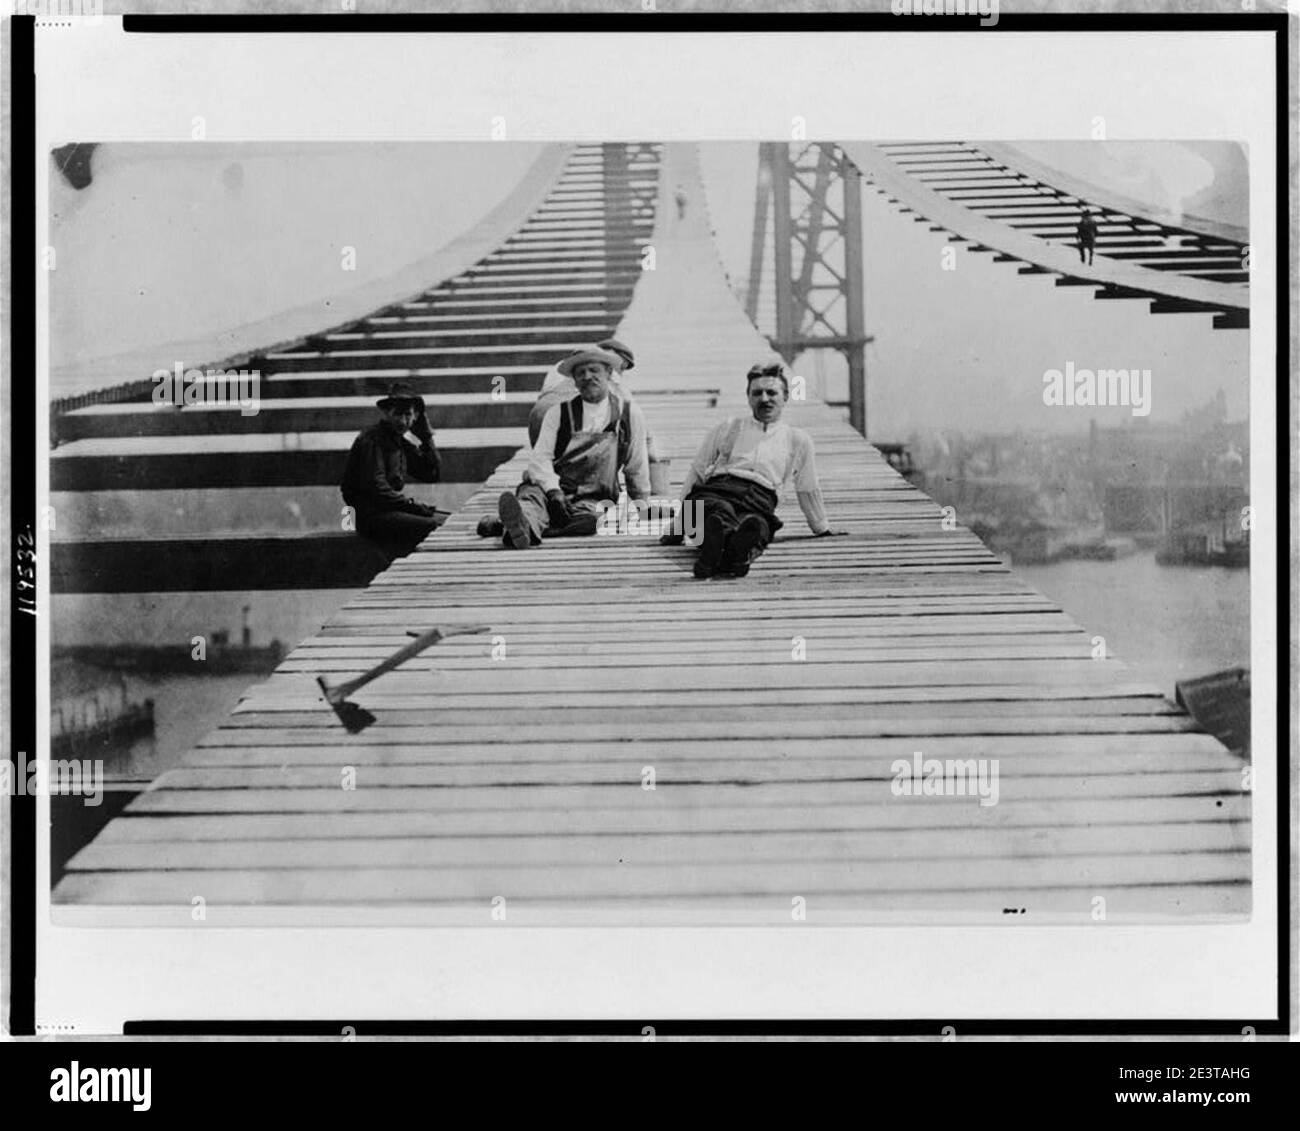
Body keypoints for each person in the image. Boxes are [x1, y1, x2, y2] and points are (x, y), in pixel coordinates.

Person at [663, 361, 844, 579]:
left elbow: (807, 486)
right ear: (748, 397)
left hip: (759, 498)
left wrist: (821, 526)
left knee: (756, 525)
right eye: (757, 393)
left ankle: (715, 555)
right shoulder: (729, 427)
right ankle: (734, 555)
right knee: (710, 511)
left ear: (785, 397)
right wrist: (677, 526)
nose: (765, 399)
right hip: (719, 489)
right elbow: (698, 471)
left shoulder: (797, 439)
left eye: (772, 392)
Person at [481, 346, 651, 548]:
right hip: (549, 489)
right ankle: (524, 522)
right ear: (575, 381)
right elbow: (540, 459)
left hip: (594, 497)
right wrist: (553, 491)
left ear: (608, 373)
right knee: (531, 502)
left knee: (592, 519)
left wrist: (641, 503)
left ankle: (513, 527)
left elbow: (636, 464)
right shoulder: (557, 413)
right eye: (580, 373)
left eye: (594, 370)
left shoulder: (629, 414)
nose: (587, 377)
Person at [340, 382, 443, 560]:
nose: (402, 421)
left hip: (389, 512)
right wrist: (414, 507)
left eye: (408, 414)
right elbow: (377, 489)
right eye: (397, 414)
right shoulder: (372, 440)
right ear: (388, 413)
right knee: (434, 525)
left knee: (449, 520)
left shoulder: (399, 442)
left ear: (416, 416)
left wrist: (426, 437)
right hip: (370, 517)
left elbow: (431, 473)